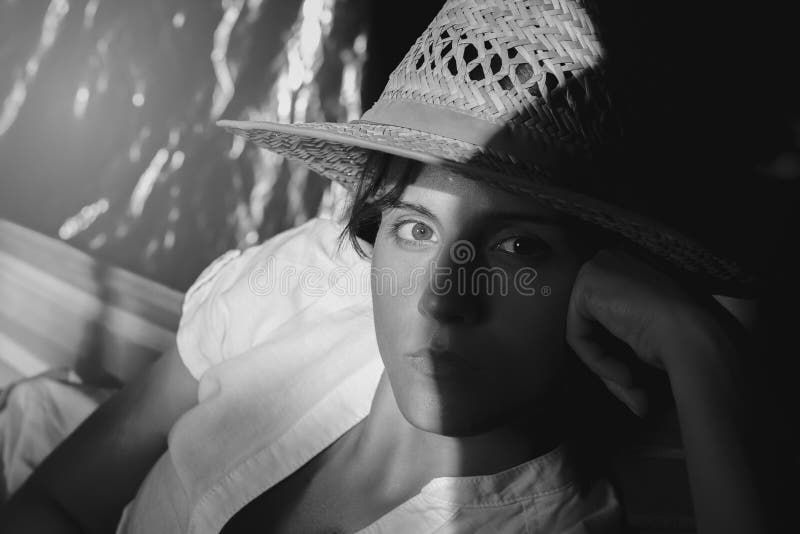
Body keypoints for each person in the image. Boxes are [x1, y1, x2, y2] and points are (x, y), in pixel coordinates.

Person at [0, 0, 776, 532]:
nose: (443, 300)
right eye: (412, 229)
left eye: (519, 247)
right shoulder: (310, 279)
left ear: (607, 288)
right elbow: (61, 505)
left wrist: (702, 351)